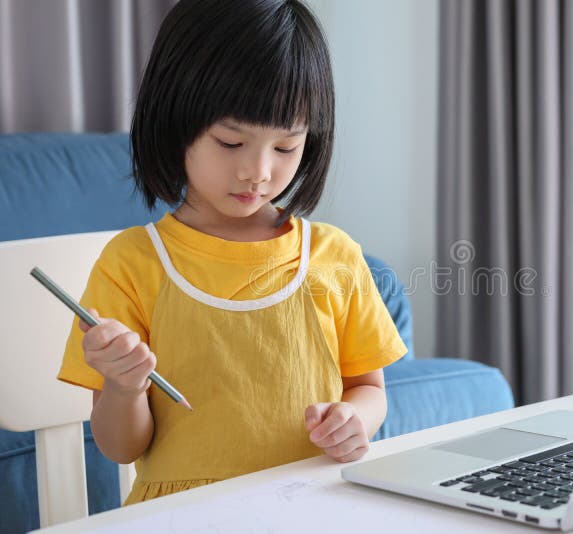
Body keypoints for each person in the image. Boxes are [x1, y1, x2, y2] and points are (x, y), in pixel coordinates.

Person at [57, 0, 407, 505]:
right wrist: (124, 387)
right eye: (229, 142)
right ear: (175, 122)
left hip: (311, 506)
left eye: (285, 147)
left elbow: (369, 389)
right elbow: (120, 447)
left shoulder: (334, 254)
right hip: (183, 515)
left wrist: (354, 420)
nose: (257, 172)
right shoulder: (132, 263)